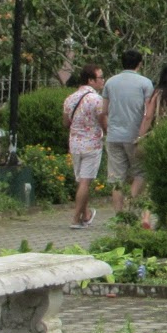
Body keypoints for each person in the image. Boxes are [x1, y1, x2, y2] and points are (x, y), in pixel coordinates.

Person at [102, 49, 153, 215]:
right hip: (135, 135)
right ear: (139, 63)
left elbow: (104, 110)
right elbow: (148, 111)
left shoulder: (110, 82)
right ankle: (131, 203)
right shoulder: (145, 83)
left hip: (114, 135)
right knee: (141, 172)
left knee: (116, 178)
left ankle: (118, 215)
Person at [62, 64, 105, 229]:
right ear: (91, 80)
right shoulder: (96, 100)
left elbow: (66, 122)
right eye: (100, 78)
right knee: (85, 182)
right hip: (92, 144)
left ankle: (86, 214)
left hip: (75, 143)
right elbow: (102, 121)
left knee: (81, 181)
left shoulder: (70, 98)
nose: (102, 81)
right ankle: (75, 219)